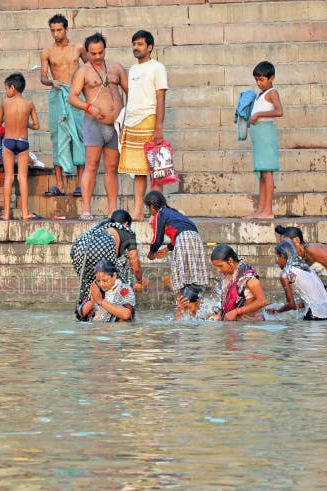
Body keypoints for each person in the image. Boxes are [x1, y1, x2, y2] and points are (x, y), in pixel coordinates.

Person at [68, 32, 128, 221]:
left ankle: (112, 210)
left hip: (115, 124)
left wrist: (127, 115)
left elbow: (129, 92)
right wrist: (88, 107)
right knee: (91, 165)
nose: (97, 56)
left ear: (104, 50)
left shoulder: (116, 68)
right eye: (93, 53)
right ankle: (86, 209)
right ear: (87, 52)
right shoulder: (83, 71)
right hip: (94, 123)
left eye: (100, 52)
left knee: (112, 167)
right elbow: (72, 97)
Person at [117, 30, 168, 221]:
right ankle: (138, 211)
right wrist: (124, 121)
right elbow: (131, 97)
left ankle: (157, 213)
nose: (136, 48)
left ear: (150, 47)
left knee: (155, 171)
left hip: (149, 119)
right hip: (131, 122)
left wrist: (159, 126)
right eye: (134, 44)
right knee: (138, 171)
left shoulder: (157, 68)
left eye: (140, 44)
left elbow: (161, 97)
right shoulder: (133, 69)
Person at [40, 14, 87, 197]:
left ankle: (80, 184)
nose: (56, 33)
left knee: (79, 137)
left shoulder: (78, 48)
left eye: (59, 30)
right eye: (53, 30)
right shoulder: (47, 51)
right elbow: (43, 77)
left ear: (66, 29)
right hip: (57, 94)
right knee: (57, 137)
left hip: (76, 94)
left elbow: (89, 68)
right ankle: (59, 185)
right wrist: (51, 82)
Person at [144, 191, 208, 315]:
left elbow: (157, 240)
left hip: (183, 238)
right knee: (193, 277)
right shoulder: (174, 213)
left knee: (180, 277)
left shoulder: (159, 214)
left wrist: (151, 253)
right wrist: (167, 249)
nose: (149, 211)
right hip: (195, 237)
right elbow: (181, 229)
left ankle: (181, 309)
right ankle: (198, 307)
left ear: (152, 206)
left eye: (148, 208)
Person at [70, 209, 147, 304]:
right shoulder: (127, 232)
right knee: (119, 286)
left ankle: (87, 309)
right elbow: (135, 266)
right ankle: (117, 309)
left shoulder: (102, 226)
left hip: (78, 248)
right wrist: (140, 280)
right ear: (126, 224)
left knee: (91, 286)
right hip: (100, 249)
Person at [0, 72, 41, 221]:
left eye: (6, 88)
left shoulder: (4, 103)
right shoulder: (29, 104)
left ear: (12, 87)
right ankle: (25, 212)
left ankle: (7, 213)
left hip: (8, 142)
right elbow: (36, 125)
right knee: (22, 177)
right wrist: (24, 123)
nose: (6, 91)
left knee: (8, 177)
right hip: (23, 142)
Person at [246, 61, 283, 220]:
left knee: (267, 172)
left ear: (271, 78)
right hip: (259, 137)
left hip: (266, 136)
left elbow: (279, 111)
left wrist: (259, 114)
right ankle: (261, 209)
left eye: (262, 80)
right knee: (262, 173)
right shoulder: (259, 94)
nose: (259, 83)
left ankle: (268, 210)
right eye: (257, 80)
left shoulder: (272, 92)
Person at [267, 240, 327, 320]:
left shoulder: (285, 275)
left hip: (313, 314)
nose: (276, 262)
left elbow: (291, 305)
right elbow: (311, 300)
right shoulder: (308, 269)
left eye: (277, 257)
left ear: (282, 256)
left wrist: (277, 311)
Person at [209, 244, 267, 321]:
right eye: (216, 267)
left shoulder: (248, 277)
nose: (218, 270)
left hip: (251, 325)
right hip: (233, 324)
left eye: (220, 266)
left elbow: (262, 301)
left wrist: (236, 312)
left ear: (230, 261)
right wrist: (220, 314)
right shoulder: (227, 274)